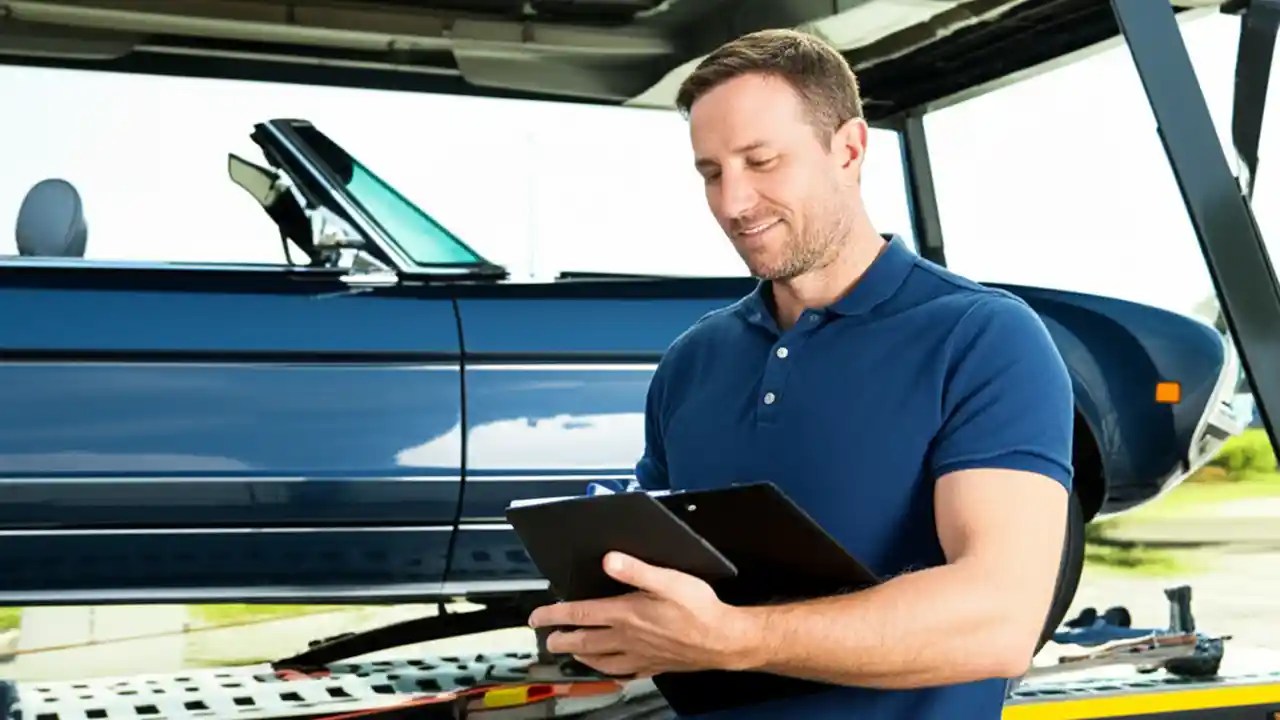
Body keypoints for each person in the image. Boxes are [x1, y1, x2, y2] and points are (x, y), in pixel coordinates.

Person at [527, 27, 1074, 719]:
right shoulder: (693, 361)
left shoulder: (982, 337)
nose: (733, 202)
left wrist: (732, 639)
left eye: (762, 161)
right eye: (711, 173)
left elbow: (998, 623)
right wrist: (606, 619)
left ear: (848, 148)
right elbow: (672, 597)